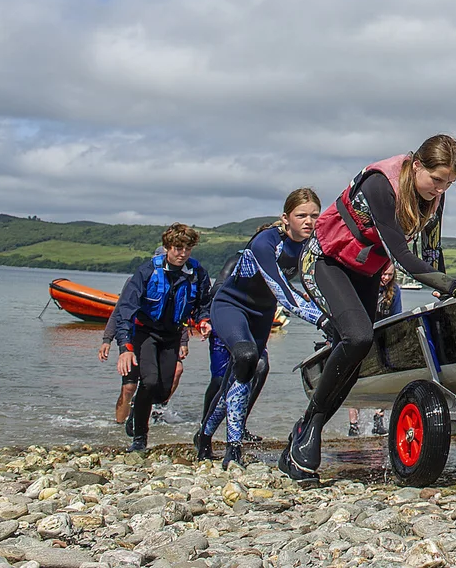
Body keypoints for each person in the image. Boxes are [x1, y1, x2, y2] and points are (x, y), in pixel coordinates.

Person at [280, 135, 456, 484]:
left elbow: (430, 251)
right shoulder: (380, 186)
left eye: (448, 184)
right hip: (326, 262)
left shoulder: (434, 196)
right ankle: (308, 427)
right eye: (436, 180)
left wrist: (449, 289)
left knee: (360, 352)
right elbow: (403, 257)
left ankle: (304, 432)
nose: (439, 190)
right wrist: (450, 285)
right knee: (357, 337)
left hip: (365, 270)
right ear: (417, 165)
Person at [196, 189, 326, 468]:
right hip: (232, 306)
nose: (308, 221)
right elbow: (281, 290)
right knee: (245, 359)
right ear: (285, 218)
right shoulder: (266, 242)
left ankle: (204, 435)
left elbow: (318, 286)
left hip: (261, 315)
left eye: (314, 215)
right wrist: (322, 320)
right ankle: (232, 448)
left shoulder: (312, 247)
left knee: (248, 370)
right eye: (301, 215)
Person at [113, 223, 212, 452]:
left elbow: (202, 304)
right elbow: (126, 309)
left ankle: (138, 408)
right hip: (146, 333)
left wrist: (203, 321)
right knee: (149, 381)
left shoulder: (197, 273)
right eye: (178, 248)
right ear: (168, 247)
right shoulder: (147, 271)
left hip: (172, 335)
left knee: (162, 391)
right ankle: (140, 437)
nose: (182, 254)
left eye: (187, 249)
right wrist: (125, 347)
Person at [100, 306, 187, 434]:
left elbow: (180, 310)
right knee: (129, 387)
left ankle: (158, 409)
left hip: (163, 337)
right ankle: (120, 426)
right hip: (135, 338)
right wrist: (107, 339)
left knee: (177, 370)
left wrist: (183, 341)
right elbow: (120, 311)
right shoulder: (136, 287)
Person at [348, 262, 403, 437]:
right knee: (355, 378)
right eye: (383, 274)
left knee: (385, 379)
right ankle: (353, 425)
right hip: (363, 335)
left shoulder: (395, 292)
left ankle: (378, 419)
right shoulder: (365, 286)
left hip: (383, 339)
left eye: (389, 275)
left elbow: (396, 316)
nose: (385, 278)